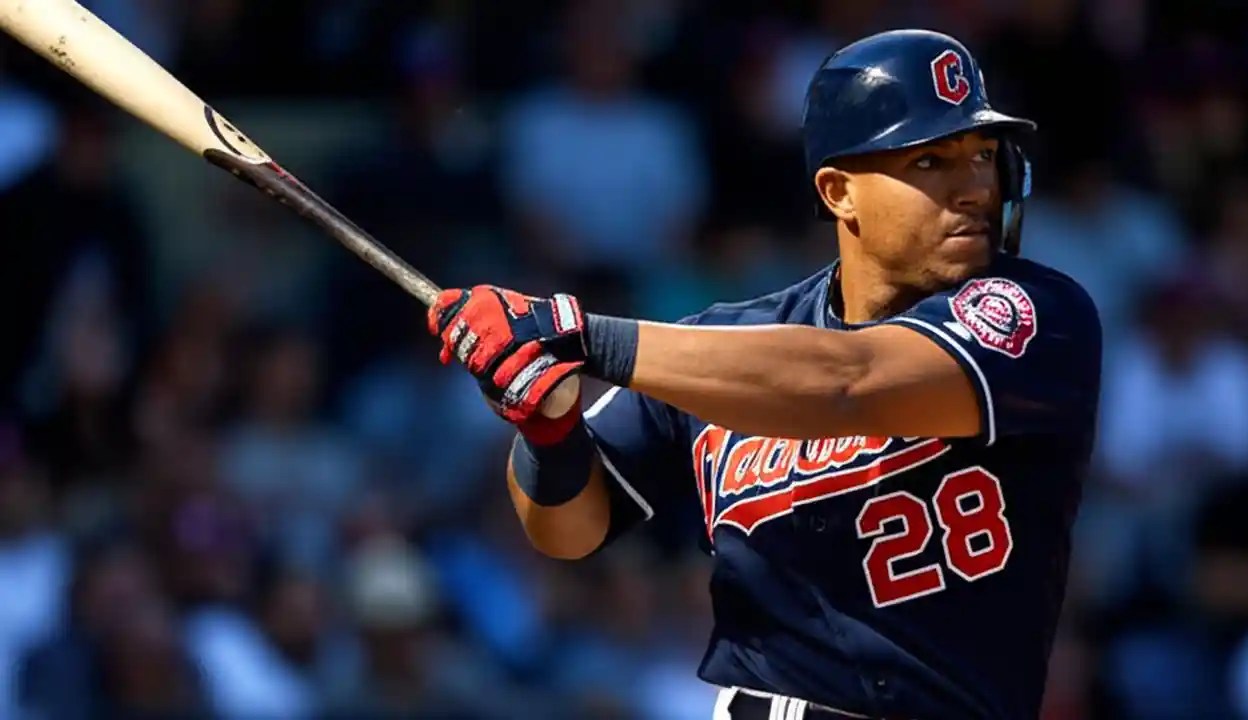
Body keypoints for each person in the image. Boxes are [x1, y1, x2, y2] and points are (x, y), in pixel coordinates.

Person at [422, 29, 1102, 720]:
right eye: (931, 161)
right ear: (839, 192)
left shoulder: (1036, 314)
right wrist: (547, 424)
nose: (974, 189)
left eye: (982, 156)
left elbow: (847, 382)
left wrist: (580, 338)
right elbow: (567, 530)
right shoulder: (730, 344)